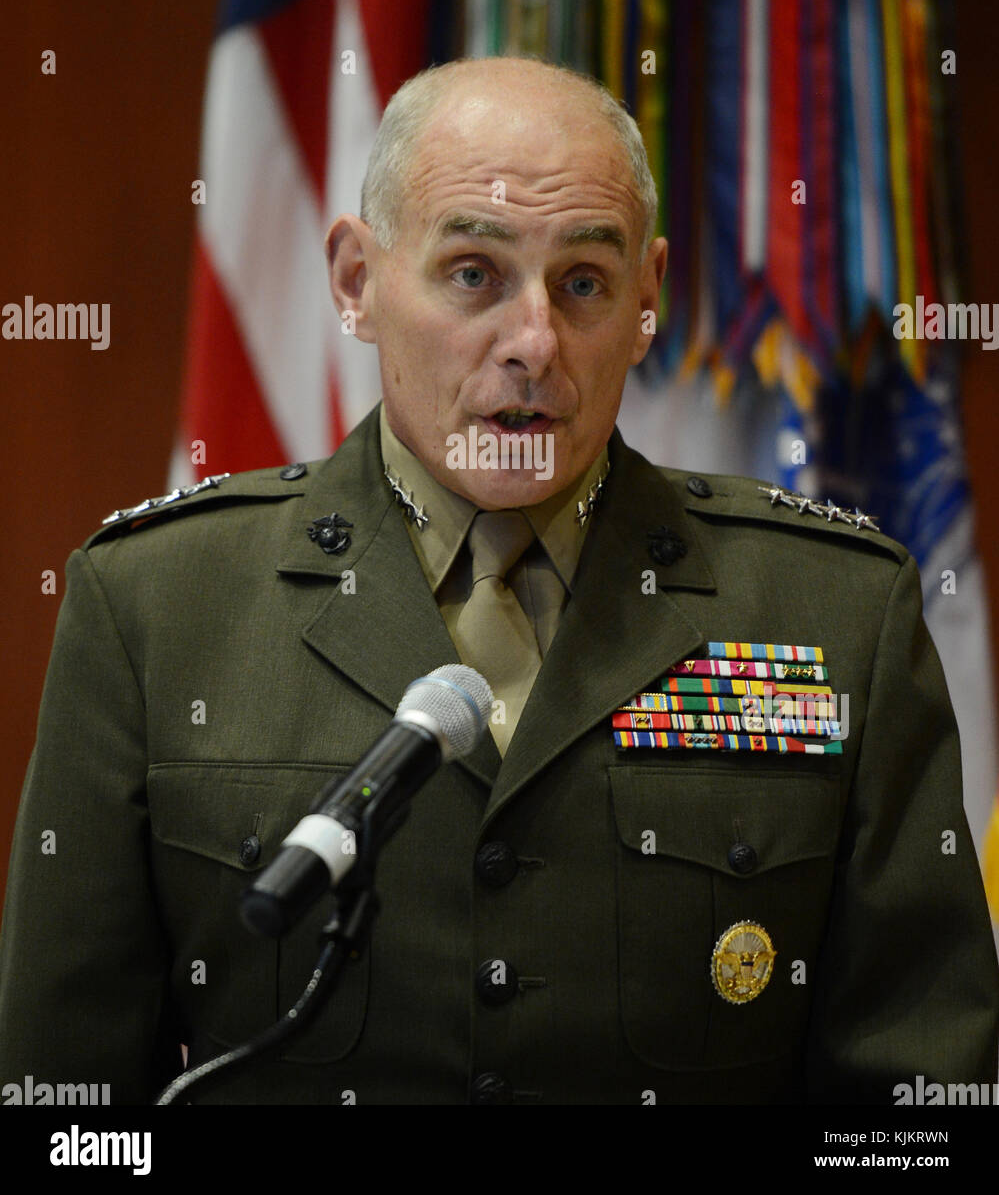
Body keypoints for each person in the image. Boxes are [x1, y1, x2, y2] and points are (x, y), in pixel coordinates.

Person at [0, 56, 996, 1105]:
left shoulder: (835, 612)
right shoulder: (157, 605)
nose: (533, 343)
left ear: (648, 298)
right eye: (473, 271)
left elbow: (914, 1108)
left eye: (583, 284)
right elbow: (69, 1109)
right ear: (356, 282)